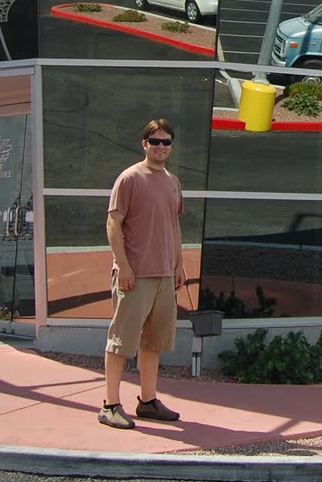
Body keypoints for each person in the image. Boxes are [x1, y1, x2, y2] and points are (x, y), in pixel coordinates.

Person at [99, 118, 186, 429]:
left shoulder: (173, 181)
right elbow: (113, 224)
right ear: (144, 143)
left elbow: (173, 227)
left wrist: (178, 265)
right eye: (155, 141)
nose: (160, 147)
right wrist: (123, 265)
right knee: (122, 340)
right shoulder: (130, 178)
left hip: (164, 275)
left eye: (166, 142)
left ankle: (147, 401)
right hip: (135, 275)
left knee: (154, 341)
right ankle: (110, 405)